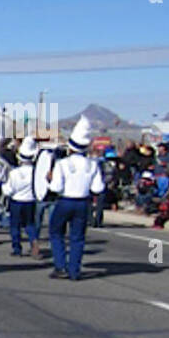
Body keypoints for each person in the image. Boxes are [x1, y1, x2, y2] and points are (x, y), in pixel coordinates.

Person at [47, 119, 106, 280]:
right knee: (78, 237)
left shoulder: (62, 164)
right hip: (83, 202)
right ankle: (75, 270)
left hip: (65, 201)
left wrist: (50, 179)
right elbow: (98, 188)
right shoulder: (92, 165)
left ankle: (60, 266)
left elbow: (56, 188)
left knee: (56, 232)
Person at [4, 137, 38, 257]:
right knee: (30, 224)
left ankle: (17, 248)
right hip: (30, 200)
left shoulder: (14, 173)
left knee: (15, 226)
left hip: (16, 201)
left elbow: (8, 190)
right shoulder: (35, 172)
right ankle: (34, 241)